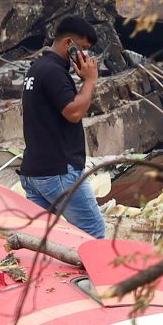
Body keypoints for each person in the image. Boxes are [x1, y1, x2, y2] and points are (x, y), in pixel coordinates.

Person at [19, 15, 107, 238]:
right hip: (58, 172)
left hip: (35, 172)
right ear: (69, 44)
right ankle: (92, 274)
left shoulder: (37, 69)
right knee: (94, 233)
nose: (86, 56)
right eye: (84, 48)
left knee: (47, 240)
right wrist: (90, 81)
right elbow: (73, 112)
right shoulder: (54, 72)